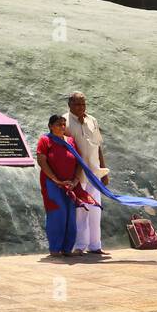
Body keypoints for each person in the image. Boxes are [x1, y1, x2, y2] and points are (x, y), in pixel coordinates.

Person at [36, 115, 93, 256]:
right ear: (50, 126)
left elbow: (79, 163)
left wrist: (75, 181)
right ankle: (55, 249)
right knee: (57, 213)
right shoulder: (45, 140)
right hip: (52, 184)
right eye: (58, 124)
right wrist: (56, 180)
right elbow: (42, 161)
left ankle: (67, 249)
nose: (62, 127)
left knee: (70, 215)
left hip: (70, 185)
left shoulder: (71, 141)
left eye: (63, 124)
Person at [66, 92, 108, 255]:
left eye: (83, 104)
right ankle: (80, 245)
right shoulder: (65, 122)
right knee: (81, 210)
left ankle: (95, 245)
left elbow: (98, 146)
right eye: (77, 104)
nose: (81, 107)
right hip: (78, 174)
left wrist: (104, 171)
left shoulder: (92, 120)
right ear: (69, 104)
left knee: (96, 209)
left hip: (95, 173)